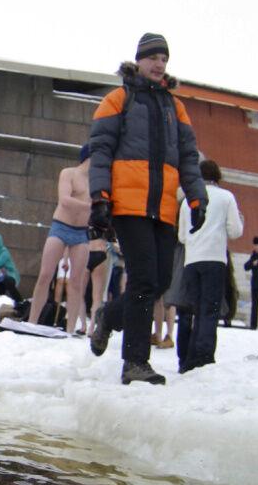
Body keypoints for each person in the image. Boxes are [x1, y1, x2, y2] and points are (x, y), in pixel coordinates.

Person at [86, 32, 208, 385]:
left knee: (159, 283)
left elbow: (188, 157)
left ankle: (108, 316)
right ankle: (135, 362)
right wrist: (100, 198)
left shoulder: (176, 107)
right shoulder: (118, 99)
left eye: (164, 59)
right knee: (142, 280)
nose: (159, 64)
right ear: (139, 60)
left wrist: (197, 198)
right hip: (129, 204)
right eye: (153, 57)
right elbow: (101, 151)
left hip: (164, 207)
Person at [176, 160, 243, 372]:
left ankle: (186, 358)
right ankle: (203, 356)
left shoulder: (188, 199)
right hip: (214, 259)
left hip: (192, 260)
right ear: (218, 176)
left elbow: (182, 236)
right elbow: (235, 231)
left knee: (192, 310)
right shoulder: (226, 197)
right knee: (209, 310)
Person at [27, 146, 92, 329]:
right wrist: (91, 207)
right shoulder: (69, 173)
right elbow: (64, 200)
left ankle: (70, 327)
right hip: (61, 226)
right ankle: (32, 321)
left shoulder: (98, 182)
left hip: (81, 232)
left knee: (76, 282)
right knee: (46, 274)